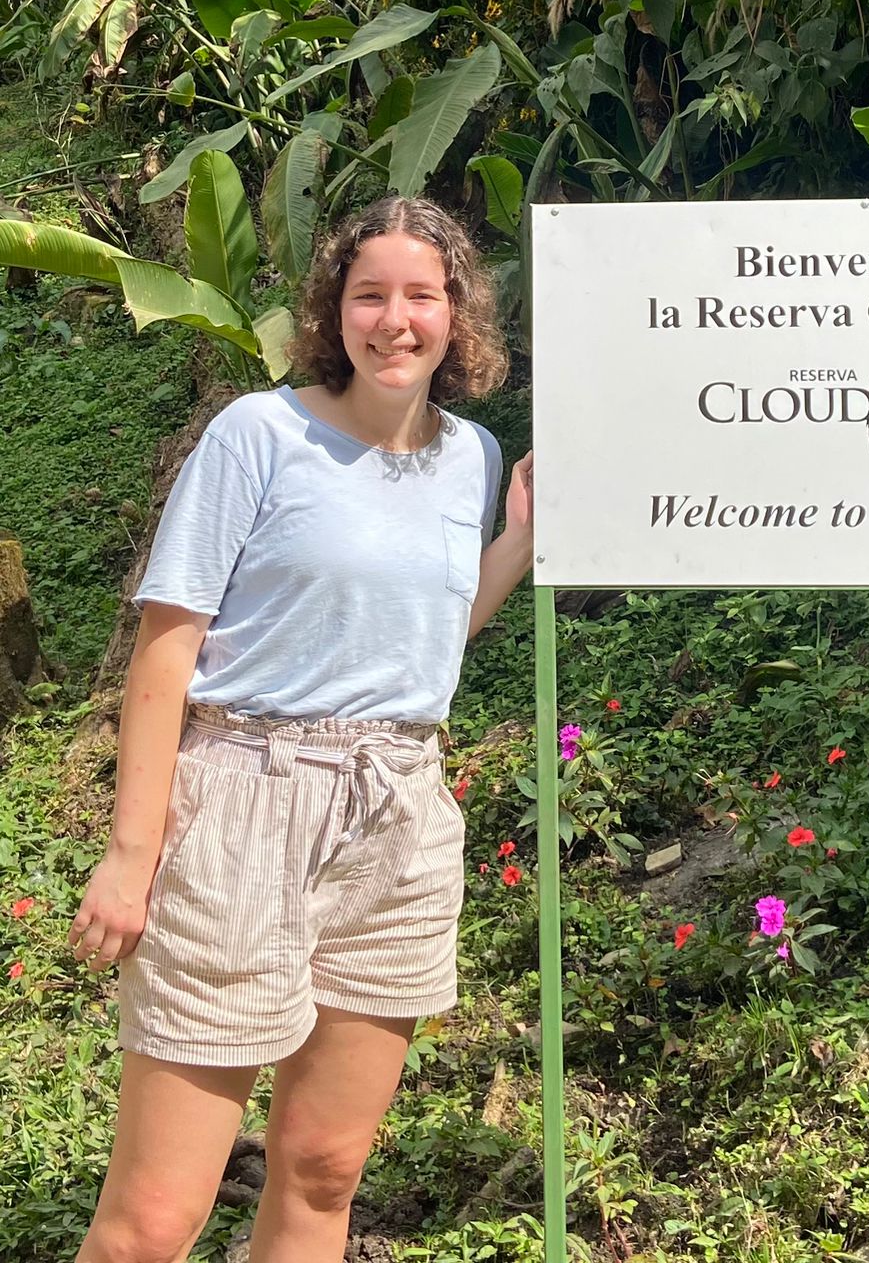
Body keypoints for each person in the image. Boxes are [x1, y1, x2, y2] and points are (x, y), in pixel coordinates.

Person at [67, 194, 535, 1263]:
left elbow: (419, 638)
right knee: (153, 1217)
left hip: (399, 817)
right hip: (244, 802)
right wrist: (131, 854)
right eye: (369, 293)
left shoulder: (469, 454)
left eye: (422, 294)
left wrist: (515, 543)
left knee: (324, 1168)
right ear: (334, 310)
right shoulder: (259, 432)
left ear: (458, 314)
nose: (394, 318)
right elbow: (167, 647)